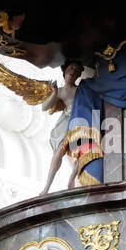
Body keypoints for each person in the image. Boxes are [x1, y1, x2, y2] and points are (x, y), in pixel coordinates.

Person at [40, 61, 83, 195]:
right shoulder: (59, 91)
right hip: (67, 121)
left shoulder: (81, 90)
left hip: (81, 120)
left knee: (84, 152)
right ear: (64, 71)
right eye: (70, 69)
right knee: (59, 152)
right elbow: (44, 107)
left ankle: (71, 179)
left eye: (76, 71)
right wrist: (54, 93)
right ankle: (46, 187)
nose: (72, 73)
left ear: (78, 76)